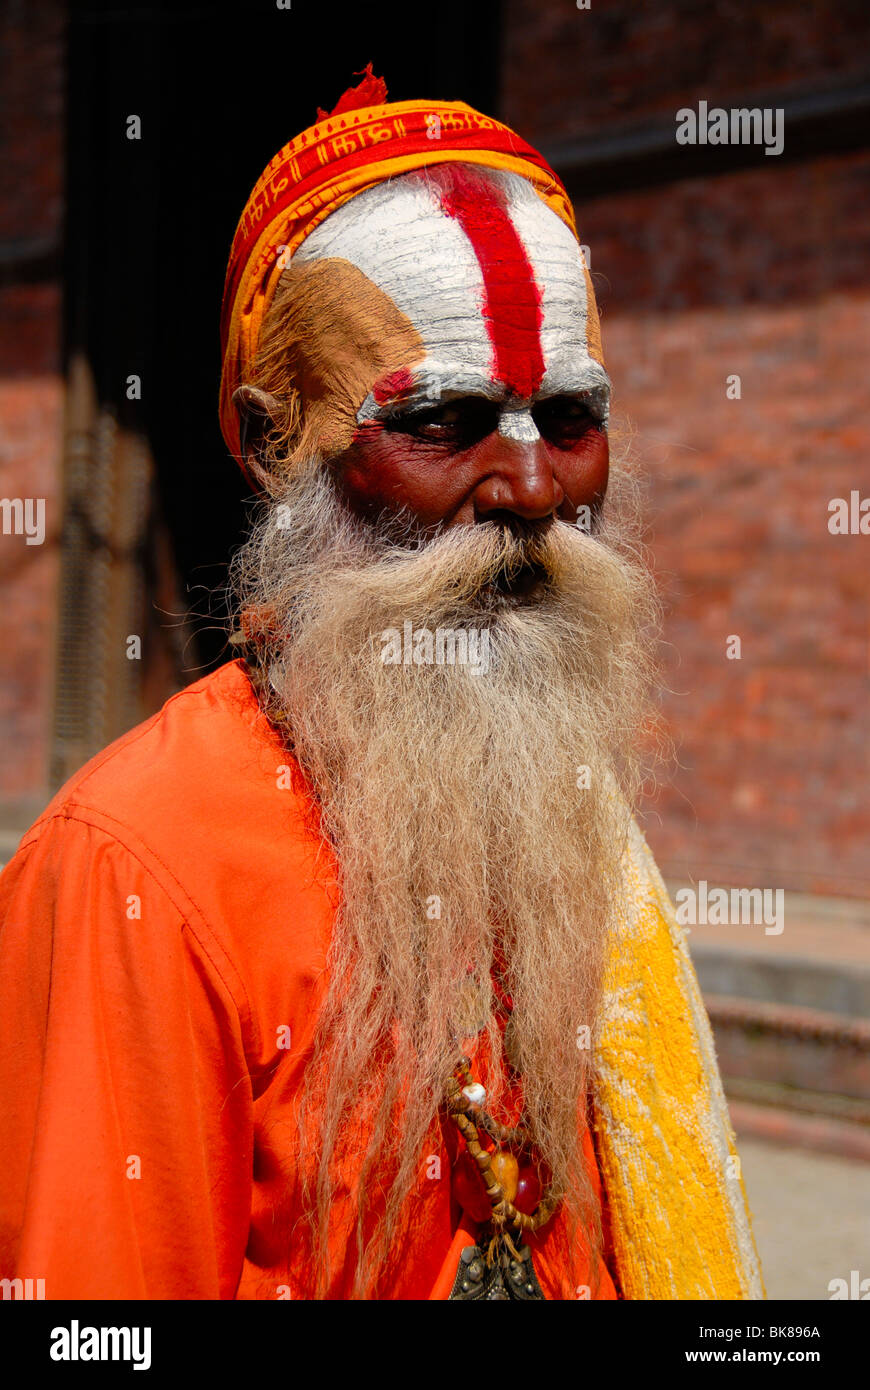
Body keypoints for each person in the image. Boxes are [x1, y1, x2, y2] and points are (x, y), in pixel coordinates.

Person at [0, 68, 763, 1300]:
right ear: (270, 443)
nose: (530, 492)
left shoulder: (567, 834)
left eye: (567, 417)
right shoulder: (133, 867)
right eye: (447, 420)